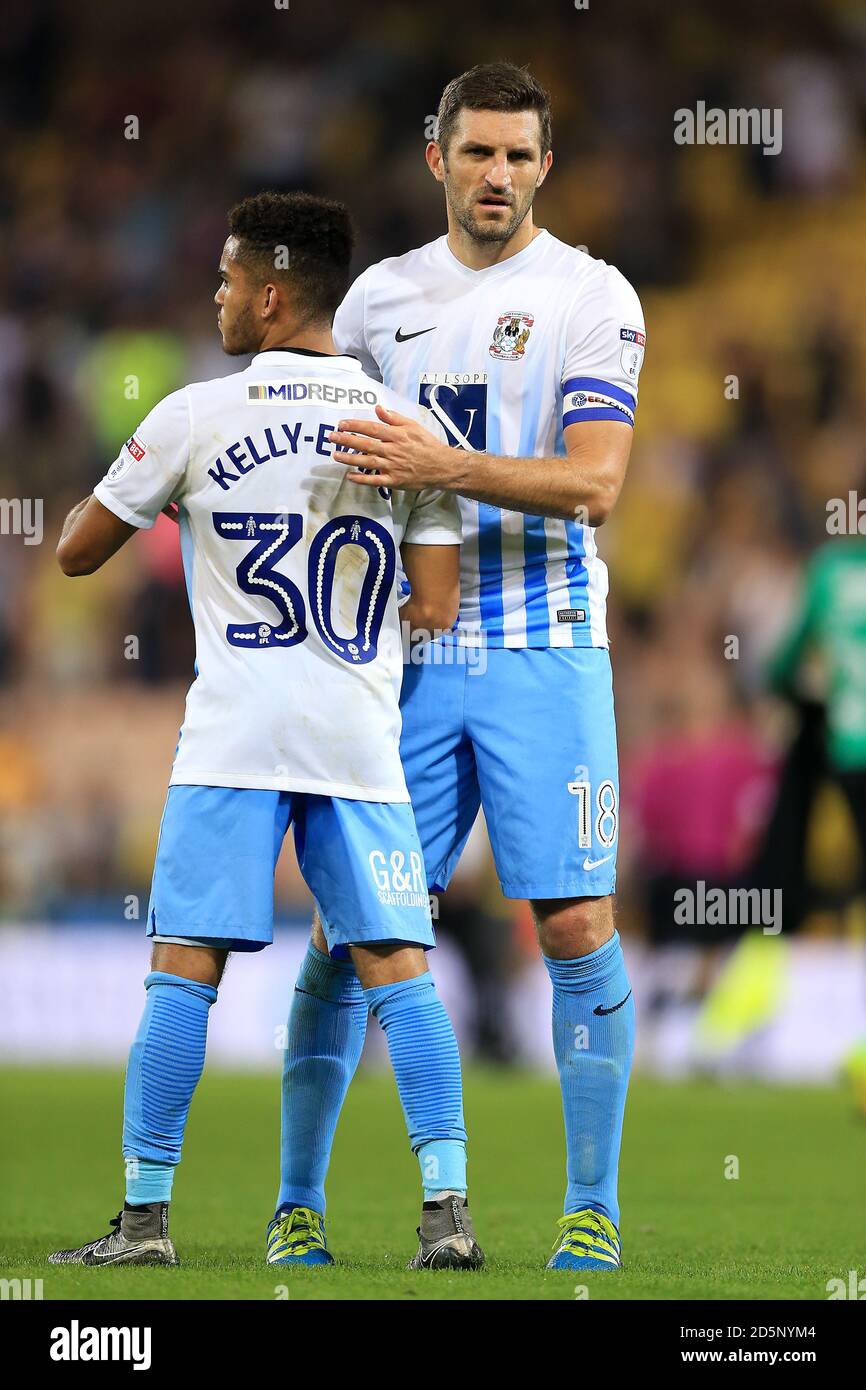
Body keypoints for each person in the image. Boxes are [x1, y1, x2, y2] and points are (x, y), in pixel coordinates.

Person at [48, 191, 483, 1271]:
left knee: (181, 969)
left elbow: (73, 553)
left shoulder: (193, 415)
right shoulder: (409, 429)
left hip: (233, 738)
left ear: (273, 290)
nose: (218, 296)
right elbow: (435, 603)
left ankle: (145, 1221)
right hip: (353, 738)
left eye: (230, 278)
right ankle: (448, 1214)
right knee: (397, 967)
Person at [279, 62, 644, 1271]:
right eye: (476, 153)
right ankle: (298, 1204)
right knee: (350, 929)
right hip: (412, 652)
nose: (498, 176)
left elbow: (594, 484)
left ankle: (588, 1203)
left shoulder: (590, 295)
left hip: (546, 647)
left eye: (520, 157)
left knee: (575, 917)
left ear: (546, 167)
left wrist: (439, 464)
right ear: (434, 156)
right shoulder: (379, 301)